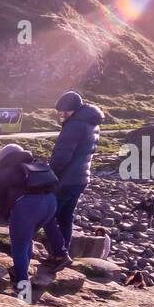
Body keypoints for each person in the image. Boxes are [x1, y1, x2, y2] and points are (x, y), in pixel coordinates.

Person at [0, 143, 70, 294]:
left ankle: (23, 290)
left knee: (19, 246)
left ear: (3, 157)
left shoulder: (7, 169)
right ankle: (21, 269)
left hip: (27, 207)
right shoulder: (35, 163)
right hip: (50, 203)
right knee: (26, 239)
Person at [49, 90, 105, 249]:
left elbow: (62, 156)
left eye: (64, 112)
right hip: (81, 179)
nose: (62, 116)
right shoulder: (91, 122)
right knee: (66, 217)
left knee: (47, 216)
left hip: (67, 179)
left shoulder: (74, 125)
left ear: (71, 109)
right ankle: (63, 250)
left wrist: (50, 174)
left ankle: (59, 253)